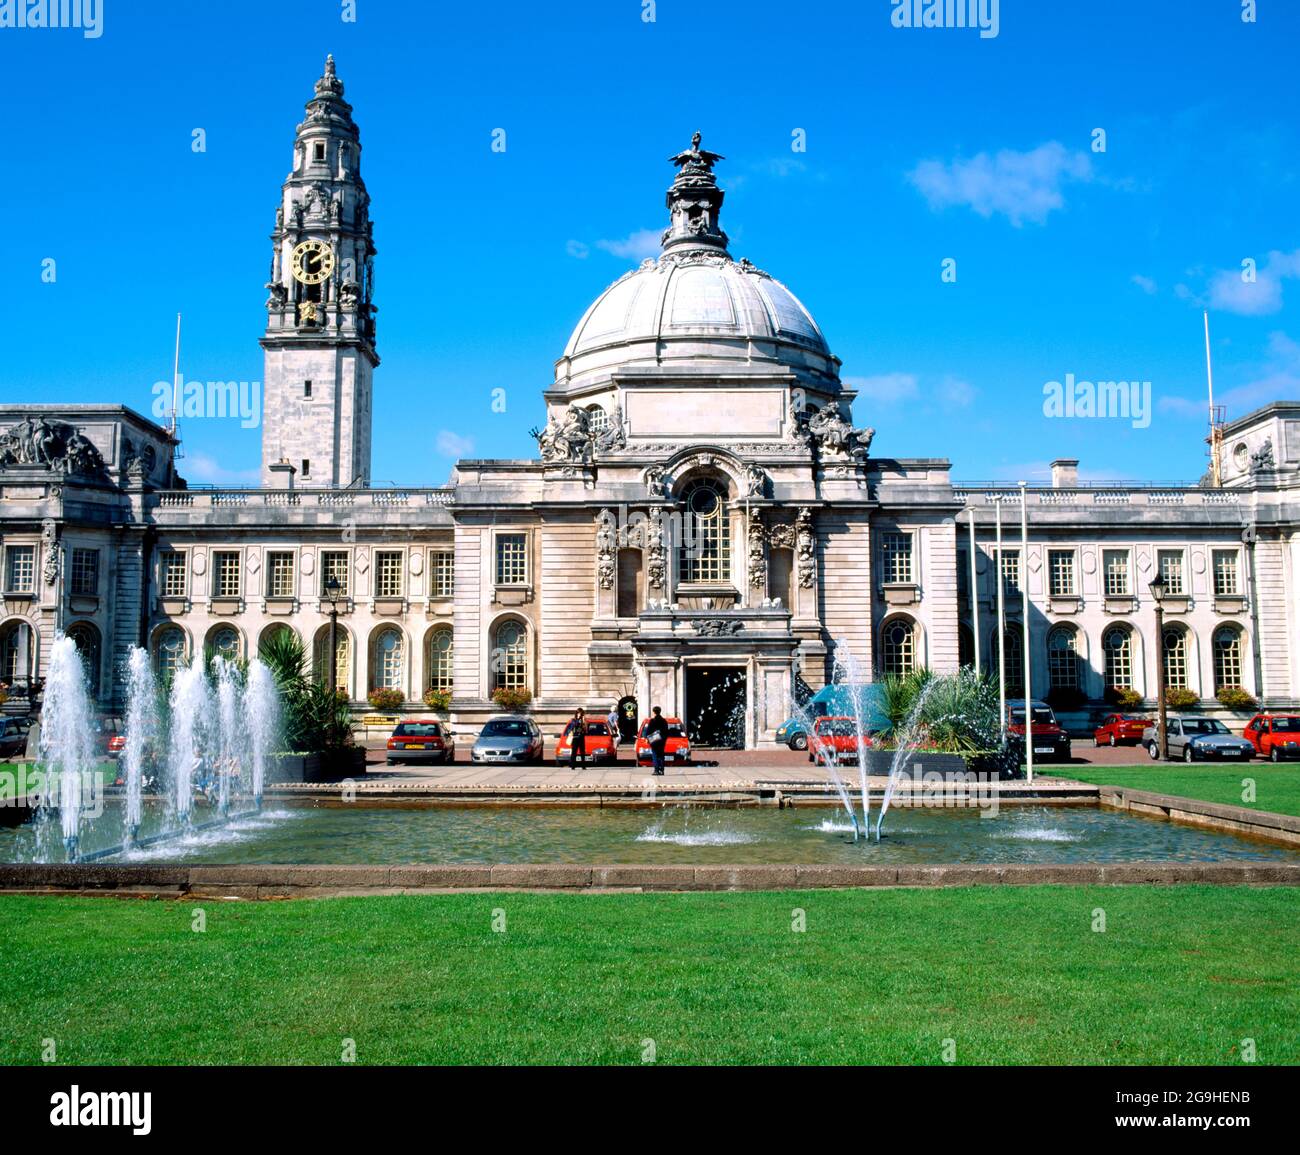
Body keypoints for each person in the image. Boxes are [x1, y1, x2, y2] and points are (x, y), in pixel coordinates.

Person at [645, 705, 670, 776]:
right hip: (662, 740)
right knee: (661, 754)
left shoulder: (652, 721)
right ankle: (662, 770)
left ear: (653, 712)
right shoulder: (664, 721)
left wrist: (647, 738)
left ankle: (656, 770)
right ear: (660, 711)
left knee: (655, 754)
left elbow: (648, 731)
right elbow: (666, 731)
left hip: (654, 740)